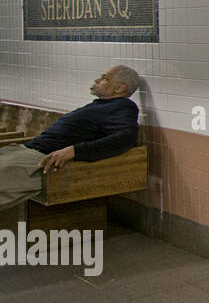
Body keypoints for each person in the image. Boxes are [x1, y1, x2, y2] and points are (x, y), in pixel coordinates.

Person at [0, 66, 141, 212]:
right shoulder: (101, 105)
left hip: (40, 160)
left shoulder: (123, 107)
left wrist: (74, 151)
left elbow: (125, 138)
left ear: (119, 88)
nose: (97, 80)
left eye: (105, 78)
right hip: (26, 152)